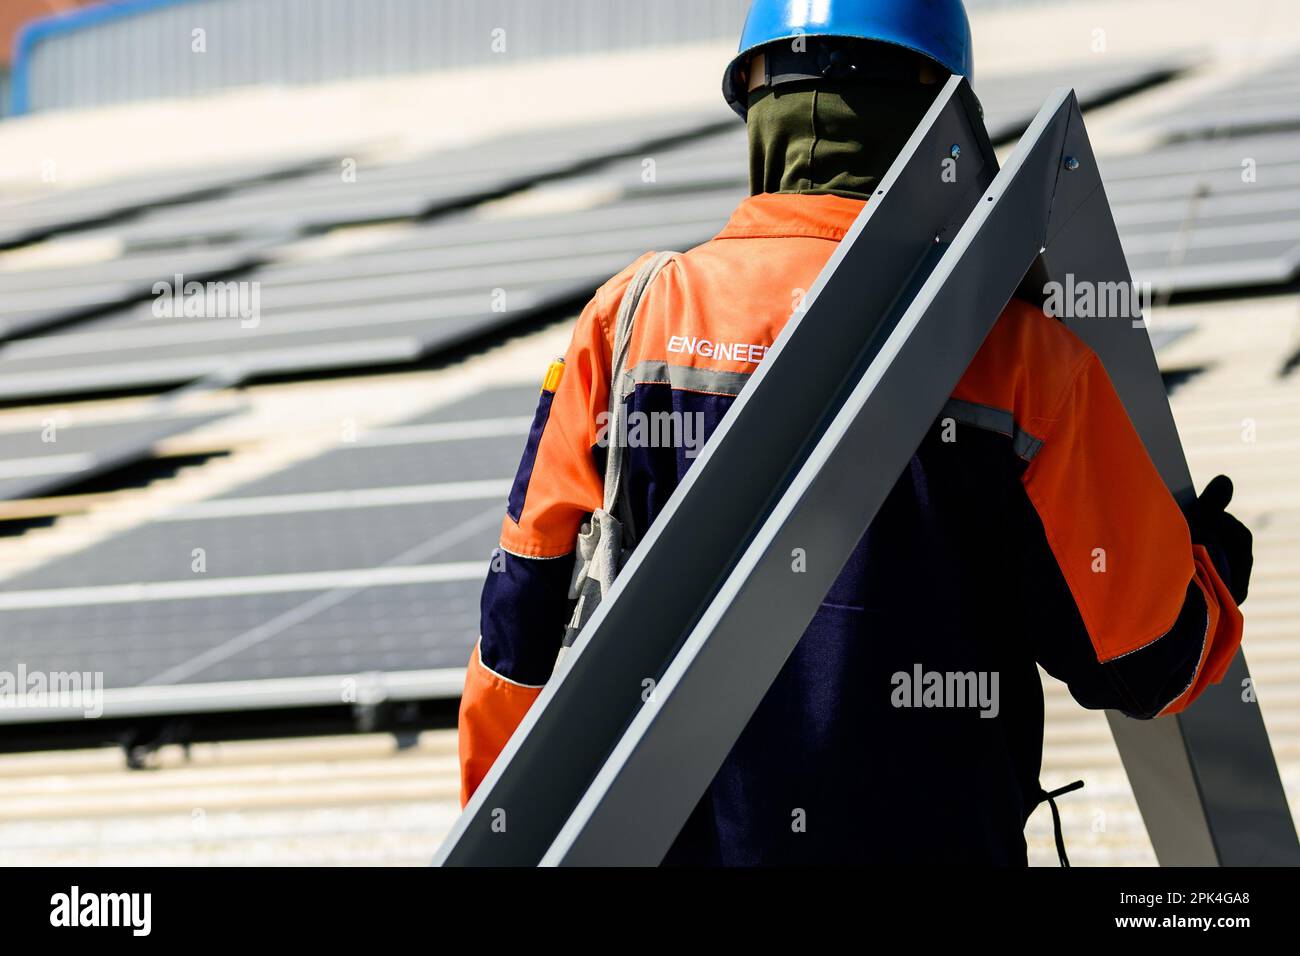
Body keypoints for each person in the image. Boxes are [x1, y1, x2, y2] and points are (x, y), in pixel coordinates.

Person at [457, 0, 1252, 865]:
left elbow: (518, 641)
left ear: (756, 108)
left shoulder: (630, 322)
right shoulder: (1026, 360)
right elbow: (1145, 660)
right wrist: (1205, 572)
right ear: (941, 116)